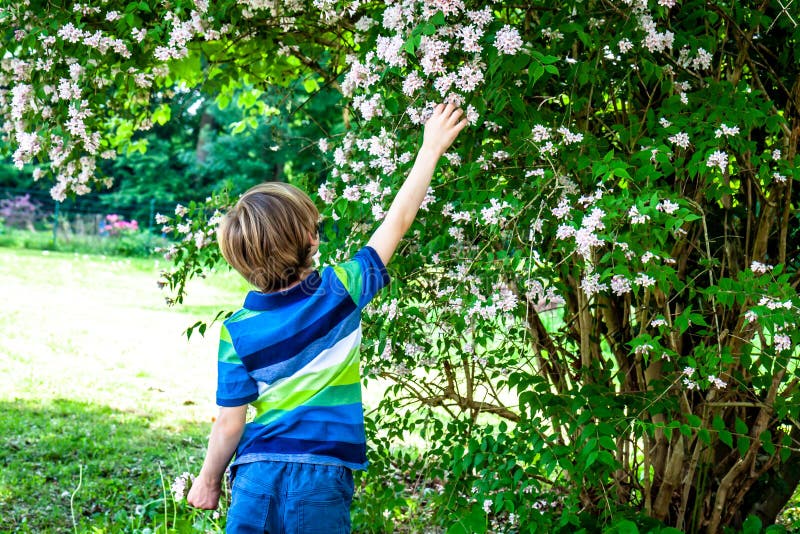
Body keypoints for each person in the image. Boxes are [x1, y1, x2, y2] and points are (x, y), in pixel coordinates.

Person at [186, 102, 468, 533]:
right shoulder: (340, 291)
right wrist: (429, 148)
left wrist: (208, 482)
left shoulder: (237, 330)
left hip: (254, 475)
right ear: (309, 240)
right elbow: (399, 220)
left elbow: (229, 421)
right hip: (321, 477)